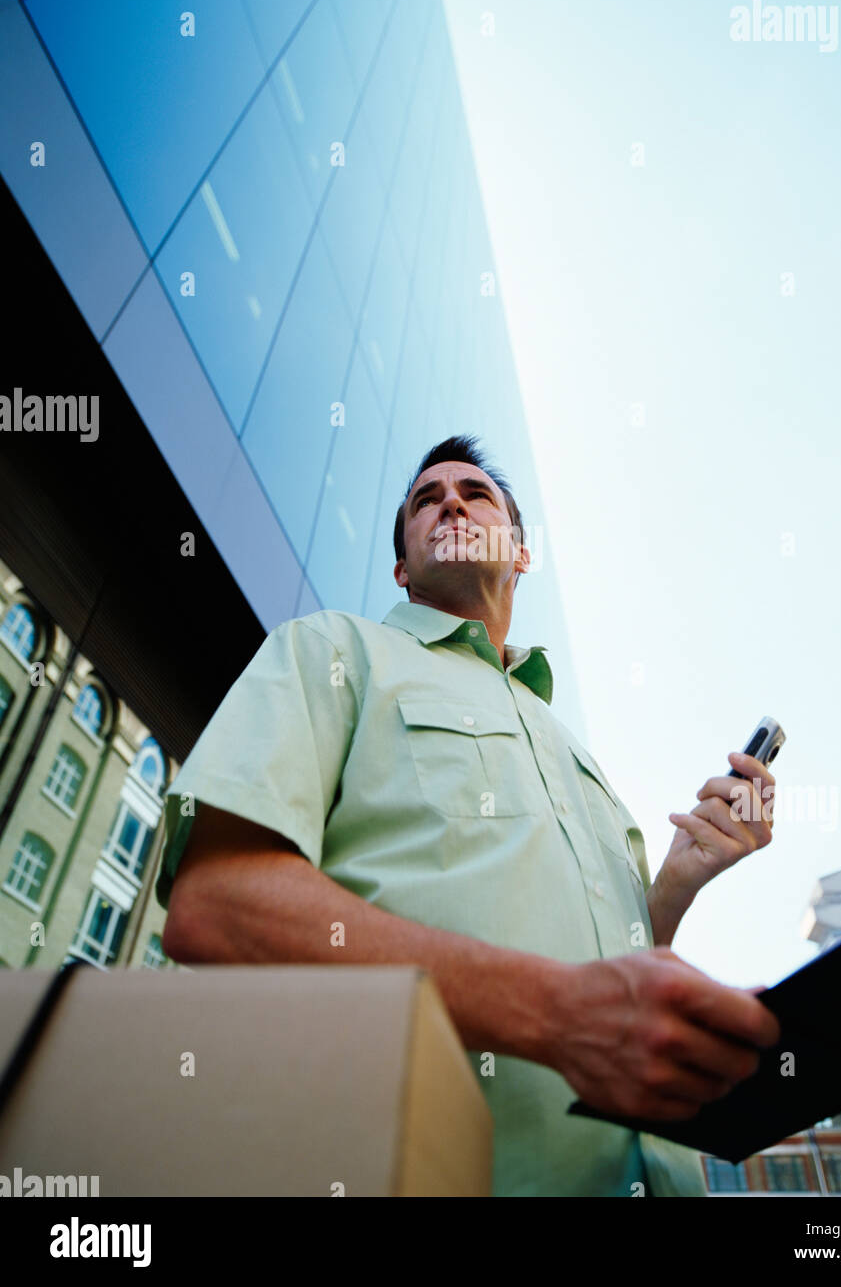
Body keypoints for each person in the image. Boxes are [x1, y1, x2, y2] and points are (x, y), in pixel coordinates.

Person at [158, 433, 780, 1197]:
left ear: (519, 552)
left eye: (474, 494)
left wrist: (678, 883)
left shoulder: (571, 750)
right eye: (426, 500)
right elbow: (217, 906)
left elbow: (611, 972)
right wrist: (554, 1013)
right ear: (401, 567)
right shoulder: (331, 650)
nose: (449, 500)